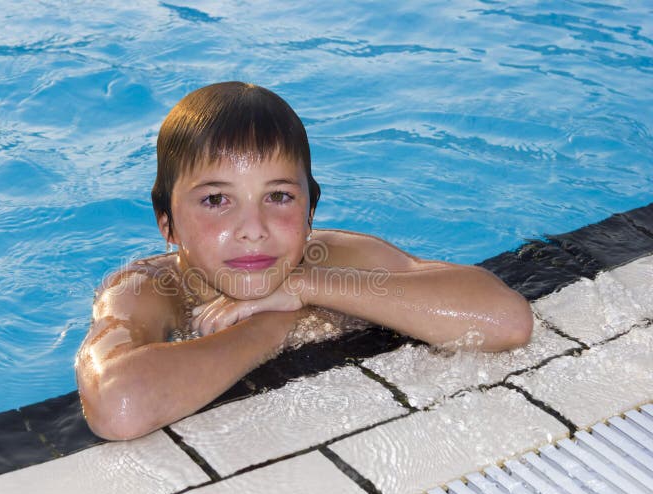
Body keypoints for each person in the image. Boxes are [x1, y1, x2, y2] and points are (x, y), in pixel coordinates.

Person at [75, 81, 533, 441]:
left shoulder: (328, 259)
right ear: (168, 224)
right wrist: (273, 325)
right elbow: (119, 407)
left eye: (278, 196)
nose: (253, 228)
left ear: (310, 211)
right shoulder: (149, 289)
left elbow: (507, 320)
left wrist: (306, 286)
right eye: (216, 200)